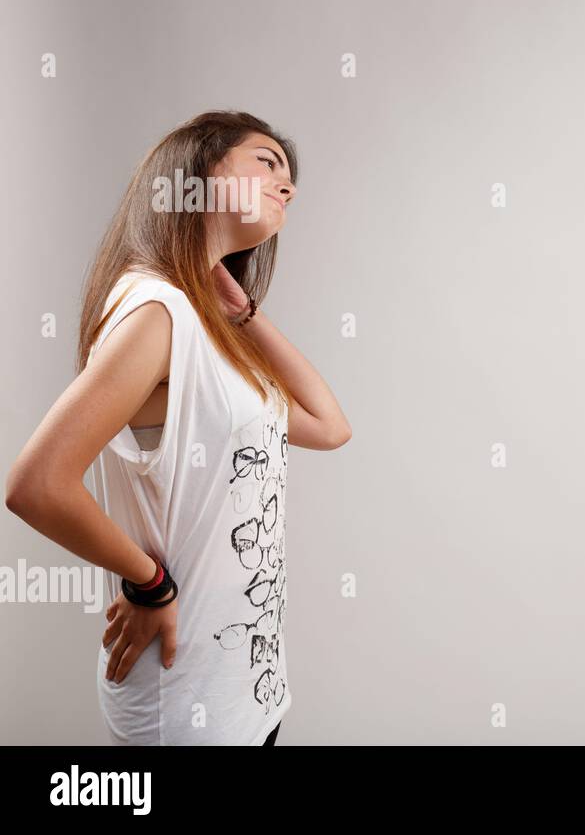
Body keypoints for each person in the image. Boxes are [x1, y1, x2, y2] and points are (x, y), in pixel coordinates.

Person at [4, 111, 352, 745]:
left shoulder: (202, 322)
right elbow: (36, 485)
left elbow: (329, 426)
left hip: (251, 696)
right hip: (186, 711)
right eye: (267, 162)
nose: (288, 186)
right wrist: (150, 581)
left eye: (291, 178)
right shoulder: (158, 315)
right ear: (200, 171)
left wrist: (243, 312)